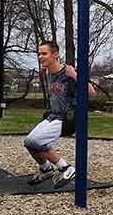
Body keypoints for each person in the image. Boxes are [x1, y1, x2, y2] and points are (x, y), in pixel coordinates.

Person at [24, 40, 96, 188]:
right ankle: (46, 169)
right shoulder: (49, 72)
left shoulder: (68, 72)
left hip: (67, 117)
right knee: (29, 142)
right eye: (39, 54)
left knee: (38, 142)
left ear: (55, 54)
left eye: (44, 53)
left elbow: (92, 93)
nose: (40, 57)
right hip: (53, 116)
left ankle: (66, 168)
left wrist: (75, 76)